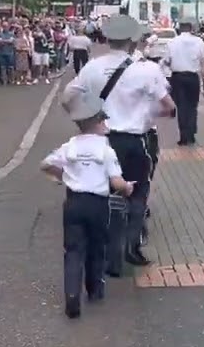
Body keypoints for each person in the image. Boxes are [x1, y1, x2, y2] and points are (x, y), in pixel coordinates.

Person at [64, 15, 174, 274]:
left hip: (100, 137)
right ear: (134, 40)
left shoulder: (91, 67)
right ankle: (131, 247)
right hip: (136, 140)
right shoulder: (147, 69)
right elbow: (169, 107)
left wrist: (86, 119)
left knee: (101, 192)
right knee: (137, 193)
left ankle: (102, 249)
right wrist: (149, 113)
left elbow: (67, 97)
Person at [40, 91, 134, 319]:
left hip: (73, 202)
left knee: (73, 250)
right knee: (96, 247)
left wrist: (62, 176)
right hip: (97, 204)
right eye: (103, 120)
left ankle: (72, 296)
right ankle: (94, 289)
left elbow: (46, 164)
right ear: (98, 123)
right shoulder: (106, 150)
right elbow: (116, 182)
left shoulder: (70, 146)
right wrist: (128, 188)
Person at [167, 17, 204, 146]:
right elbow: (203, 62)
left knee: (181, 106)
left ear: (179, 28)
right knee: (192, 106)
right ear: (191, 28)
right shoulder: (199, 41)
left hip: (177, 77)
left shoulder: (172, 42)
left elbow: (167, 61)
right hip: (193, 77)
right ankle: (191, 134)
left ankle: (183, 136)